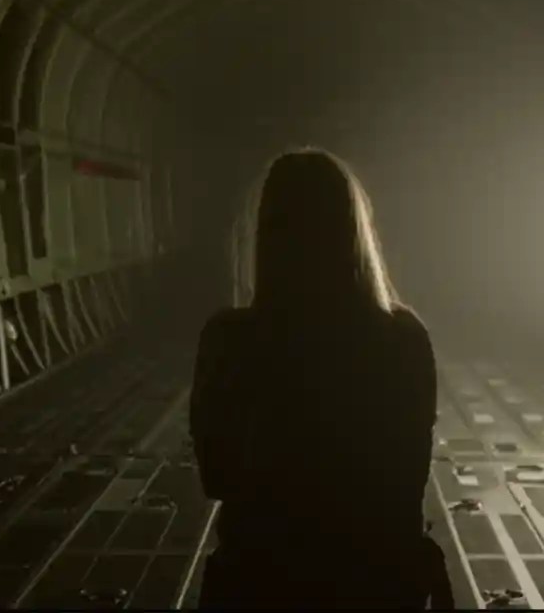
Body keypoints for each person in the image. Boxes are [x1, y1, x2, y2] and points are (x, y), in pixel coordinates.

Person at [189, 148, 449, 609]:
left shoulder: (229, 339)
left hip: (260, 581)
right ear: (353, 231)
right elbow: (409, 481)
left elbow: (218, 478)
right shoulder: (404, 338)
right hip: (376, 583)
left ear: (266, 234)